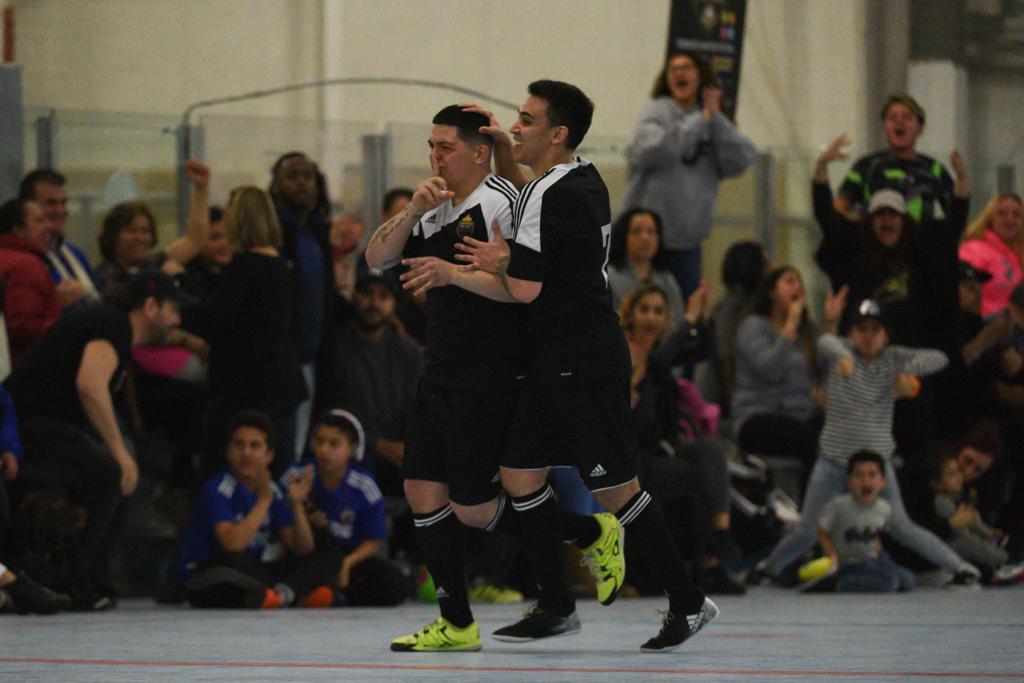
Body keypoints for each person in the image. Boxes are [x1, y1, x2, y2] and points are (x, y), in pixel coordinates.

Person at [413, 83, 717, 651]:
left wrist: (488, 262)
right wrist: (503, 147)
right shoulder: (577, 179)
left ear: (558, 134)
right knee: (520, 473)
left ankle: (689, 598)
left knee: (617, 488)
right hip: (555, 360)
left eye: (526, 120)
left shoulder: (553, 194)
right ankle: (556, 602)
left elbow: (527, 286)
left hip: (583, 360)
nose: (516, 125)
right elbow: (539, 226)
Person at [366, 104, 622, 652]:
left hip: (491, 372)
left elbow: (520, 286)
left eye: (445, 147)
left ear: (479, 153)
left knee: (475, 507)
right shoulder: (433, 209)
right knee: (419, 490)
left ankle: (588, 530)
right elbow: (374, 257)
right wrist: (410, 212)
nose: (434, 157)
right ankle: (457, 623)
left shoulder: (501, 203)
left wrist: (453, 274)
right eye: (430, 146)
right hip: (439, 369)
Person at [755, 300, 980, 585]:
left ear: (885, 335)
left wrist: (904, 371)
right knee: (808, 529)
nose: (869, 336)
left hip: (875, 465)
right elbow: (825, 342)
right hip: (834, 461)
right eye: (861, 329)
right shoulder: (839, 354)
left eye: (876, 329)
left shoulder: (891, 359)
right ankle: (767, 570)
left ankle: (960, 568)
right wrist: (843, 356)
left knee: (902, 527)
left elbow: (940, 358)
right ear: (852, 334)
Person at [3, 270, 189, 607]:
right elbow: (90, 385)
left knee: (98, 475)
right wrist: (120, 452)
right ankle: (74, 582)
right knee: (107, 471)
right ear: (151, 307)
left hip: (37, 424)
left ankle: (81, 578)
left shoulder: (108, 324)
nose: (177, 320)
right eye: (173, 310)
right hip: (27, 422)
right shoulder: (113, 324)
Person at [620, 284, 743, 594]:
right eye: (644, 309)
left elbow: (705, 350)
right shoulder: (618, 349)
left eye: (659, 311)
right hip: (626, 459)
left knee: (710, 454)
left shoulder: (661, 357)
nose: (651, 317)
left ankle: (716, 545)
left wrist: (702, 320)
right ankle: (646, 571)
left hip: (657, 456)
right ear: (631, 315)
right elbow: (660, 361)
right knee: (647, 471)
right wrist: (687, 320)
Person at [814, 134, 970, 349]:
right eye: (880, 215)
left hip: (911, 354)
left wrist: (962, 180)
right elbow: (826, 217)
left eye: (893, 215)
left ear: (904, 221)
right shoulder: (856, 252)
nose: (886, 221)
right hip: (864, 354)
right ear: (870, 221)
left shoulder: (921, 250)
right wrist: (821, 167)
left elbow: (954, 225)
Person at [621, 51, 757, 297]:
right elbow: (646, 151)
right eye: (673, 69)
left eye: (687, 67)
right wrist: (698, 122)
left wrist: (715, 120)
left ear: (701, 76)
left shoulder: (713, 120)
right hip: (647, 240)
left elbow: (741, 159)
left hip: (687, 244)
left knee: (684, 314)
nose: (679, 73)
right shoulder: (656, 111)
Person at [198, 186, 306, 478]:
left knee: (226, 479)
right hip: (282, 383)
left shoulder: (242, 269)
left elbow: (214, 324)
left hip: (246, 392)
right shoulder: (281, 265)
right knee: (279, 476)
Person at [180, 410, 320, 609]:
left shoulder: (274, 491)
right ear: (228, 452)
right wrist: (263, 501)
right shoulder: (218, 489)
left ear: (269, 455)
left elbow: (302, 549)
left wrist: (297, 505)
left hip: (250, 573)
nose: (246, 452)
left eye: (255, 446)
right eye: (239, 445)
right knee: (235, 564)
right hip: (209, 573)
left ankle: (275, 594)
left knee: (322, 554)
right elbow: (233, 545)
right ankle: (289, 593)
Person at [279, 409, 406, 606]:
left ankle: (331, 596)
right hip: (307, 557)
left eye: (334, 444)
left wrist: (347, 563)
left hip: (350, 559)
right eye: (319, 441)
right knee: (327, 559)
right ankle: (287, 594)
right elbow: (299, 546)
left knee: (394, 583)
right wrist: (296, 503)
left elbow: (373, 540)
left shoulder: (364, 486)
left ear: (352, 449)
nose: (324, 450)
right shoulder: (296, 477)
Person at [269, 152, 336, 459]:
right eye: (292, 176)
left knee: (299, 443)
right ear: (276, 184)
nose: (301, 183)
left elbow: (325, 291)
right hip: (279, 358)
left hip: (312, 355)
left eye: (307, 176)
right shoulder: (272, 233)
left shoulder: (317, 230)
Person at [331, 274, 422, 497]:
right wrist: (377, 444)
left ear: (394, 303)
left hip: (400, 457)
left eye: (383, 296)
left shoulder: (408, 353)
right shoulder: (335, 346)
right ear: (354, 296)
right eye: (367, 294)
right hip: (348, 454)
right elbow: (331, 408)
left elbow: (418, 408)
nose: (374, 303)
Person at [730, 266, 825, 477]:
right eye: (790, 281)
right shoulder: (752, 327)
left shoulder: (806, 333)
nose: (797, 287)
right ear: (772, 292)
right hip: (757, 417)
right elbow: (770, 369)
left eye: (800, 282)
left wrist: (832, 321)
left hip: (799, 415)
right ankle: (810, 509)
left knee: (842, 435)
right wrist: (790, 324)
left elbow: (825, 368)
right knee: (812, 442)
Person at [92, 160, 211, 294]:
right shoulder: (102, 277)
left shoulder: (151, 264)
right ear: (113, 236)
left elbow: (194, 240)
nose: (140, 238)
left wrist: (201, 187)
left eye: (145, 231)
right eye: (131, 230)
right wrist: (161, 281)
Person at [835, 94, 955, 223]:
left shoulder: (934, 169)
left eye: (907, 117)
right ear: (884, 128)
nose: (899, 122)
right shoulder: (866, 166)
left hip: (920, 242)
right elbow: (839, 209)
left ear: (919, 129)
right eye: (892, 117)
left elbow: (958, 217)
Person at [816, 451, 915, 593]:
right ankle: (838, 583)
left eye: (872, 475)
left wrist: (882, 558)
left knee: (908, 580)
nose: (865, 481)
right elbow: (822, 532)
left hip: (874, 561)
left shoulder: (884, 507)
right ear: (849, 481)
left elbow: (878, 535)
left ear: (882, 482)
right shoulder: (839, 505)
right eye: (858, 475)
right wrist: (832, 555)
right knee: (889, 582)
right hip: (848, 563)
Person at [923, 450, 1024, 585]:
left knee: (976, 545)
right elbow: (957, 531)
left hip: (965, 540)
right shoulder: (942, 501)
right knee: (971, 544)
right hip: (952, 543)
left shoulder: (960, 498)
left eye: (958, 471)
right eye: (952, 475)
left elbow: (972, 522)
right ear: (937, 484)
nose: (959, 477)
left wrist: (988, 532)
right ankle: (1006, 561)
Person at [694, 240, 768, 410]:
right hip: (723, 396)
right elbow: (725, 353)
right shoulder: (730, 308)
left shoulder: (754, 305)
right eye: (765, 264)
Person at [18, 169, 99, 310]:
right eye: (51, 203)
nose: (60, 210)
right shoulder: (22, 262)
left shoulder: (77, 256)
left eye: (63, 202)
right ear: (28, 208)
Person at [0, 198, 60, 365]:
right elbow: (25, 329)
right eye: (39, 221)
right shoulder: (25, 266)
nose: (49, 226)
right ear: (18, 230)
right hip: (26, 372)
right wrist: (70, 327)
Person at [606, 208, 685, 325]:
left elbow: (678, 322)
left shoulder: (667, 280)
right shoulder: (610, 278)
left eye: (651, 232)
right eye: (636, 232)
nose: (645, 237)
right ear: (623, 237)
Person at [959, 193, 1023, 318]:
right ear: (990, 220)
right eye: (1002, 214)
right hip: (985, 328)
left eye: (1016, 215)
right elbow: (963, 291)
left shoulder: (1017, 256)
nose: (1010, 219)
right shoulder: (975, 249)